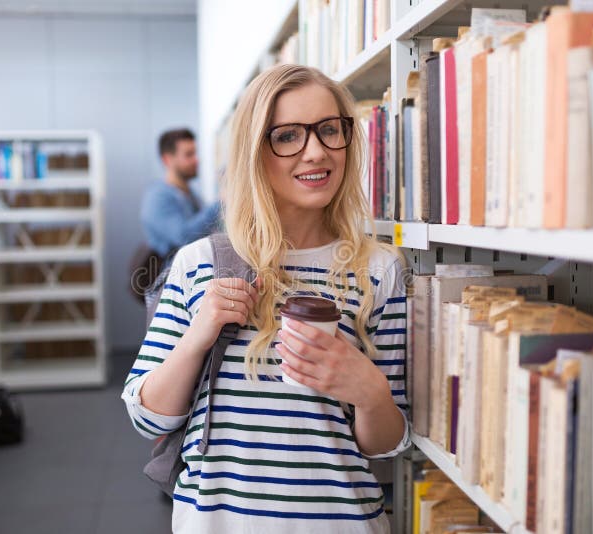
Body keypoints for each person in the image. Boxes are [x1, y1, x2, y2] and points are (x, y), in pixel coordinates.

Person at [122, 64, 409, 533]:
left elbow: (389, 445)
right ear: (256, 149)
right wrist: (197, 338)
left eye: (329, 130)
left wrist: (370, 392)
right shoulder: (200, 263)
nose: (316, 152)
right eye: (288, 136)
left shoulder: (380, 271)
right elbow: (145, 418)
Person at [140, 128, 221, 259]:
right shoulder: (157, 197)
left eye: (195, 153)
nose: (196, 160)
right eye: (189, 155)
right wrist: (221, 203)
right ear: (167, 159)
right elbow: (184, 237)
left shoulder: (190, 194)